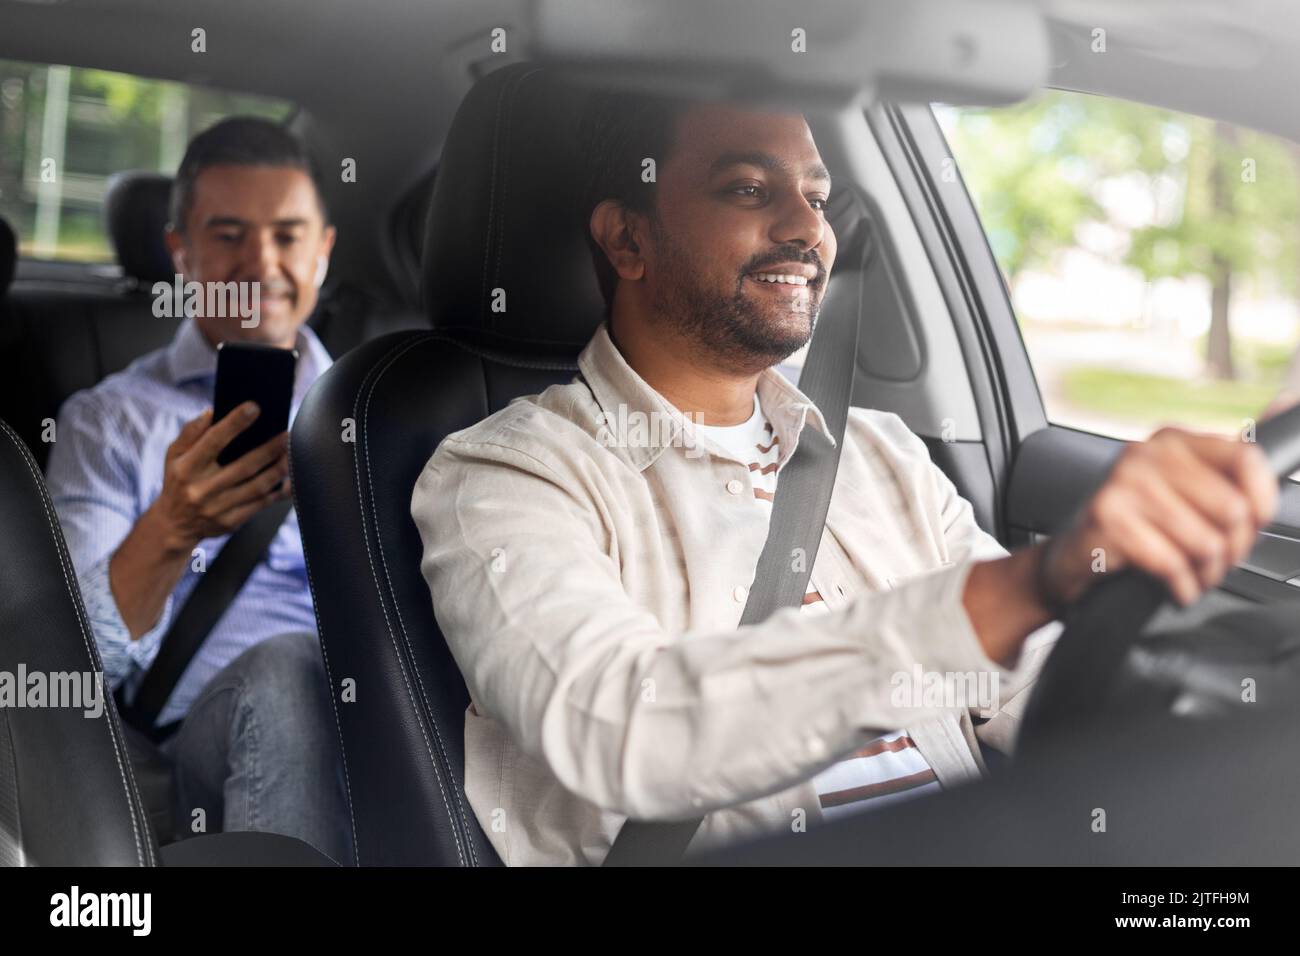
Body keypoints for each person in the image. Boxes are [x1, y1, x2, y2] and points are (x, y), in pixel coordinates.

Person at [410, 93, 1277, 865]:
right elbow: (625, 731)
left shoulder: (883, 455)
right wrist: (1025, 586)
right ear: (628, 237)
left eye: (818, 198)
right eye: (749, 190)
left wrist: (1228, 707)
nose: (806, 228)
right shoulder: (505, 475)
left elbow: (1031, 688)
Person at [46, 117, 353, 865]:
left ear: (323, 249)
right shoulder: (108, 421)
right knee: (288, 671)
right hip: (198, 740)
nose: (261, 262)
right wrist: (173, 526)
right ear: (178, 250)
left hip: (380, 728)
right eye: (228, 235)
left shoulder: (375, 409)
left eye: (287, 234)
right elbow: (68, 671)